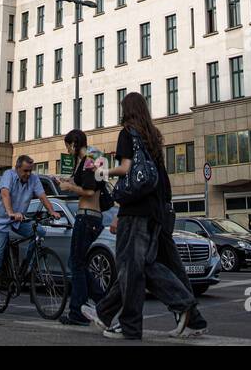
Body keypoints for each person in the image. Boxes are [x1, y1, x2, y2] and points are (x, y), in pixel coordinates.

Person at [87, 93, 205, 339]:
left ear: (125, 109)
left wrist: (103, 171)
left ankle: (138, 321)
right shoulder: (152, 135)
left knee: (133, 268)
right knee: (142, 266)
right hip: (155, 210)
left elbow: (126, 169)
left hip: (136, 210)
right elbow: (158, 176)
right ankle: (109, 315)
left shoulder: (127, 133)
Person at [0, 155, 62, 312]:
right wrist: (10, 212)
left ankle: (27, 267)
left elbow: (42, 196)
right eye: (25, 171)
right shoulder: (8, 175)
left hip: (17, 219)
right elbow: (5, 193)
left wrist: (52, 211)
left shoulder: (33, 179)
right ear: (17, 169)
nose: (28, 174)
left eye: (30, 170)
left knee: (40, 232)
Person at [57, 129, 105, 325]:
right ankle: (103, 304)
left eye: (68, 146)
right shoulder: (90, 159)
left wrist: (69, 188)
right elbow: (84, 182)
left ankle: (78, 311)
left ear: (74, 144)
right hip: (90, 218)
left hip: (87, 218)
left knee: (76, 264)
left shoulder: (90, 159)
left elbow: (89, 190)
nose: (67, 151)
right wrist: (64, 181)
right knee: (80, 264)